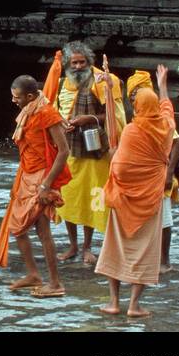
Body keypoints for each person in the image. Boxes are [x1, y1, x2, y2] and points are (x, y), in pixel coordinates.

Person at [95, 64, 175, 318]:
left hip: (124, 201)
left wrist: (113, 178)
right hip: (151, 200)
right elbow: (166, 108)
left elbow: (119, 166)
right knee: (145, 252)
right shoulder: (166, 128)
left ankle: (114, 302)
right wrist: (162, 85)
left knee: (115, 248)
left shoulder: (131, 130)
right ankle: (134, 306)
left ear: (137, 107)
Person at [0, 74, 70, 298]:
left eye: (17, 97)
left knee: (43, 230)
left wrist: (46, 184)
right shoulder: (28, 111)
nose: (13, 101)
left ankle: (55, 284)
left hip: (42, 176)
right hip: (27, 175)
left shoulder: (46, 113)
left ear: (31, 96)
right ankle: (34, 274)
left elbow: (64, 151)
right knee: (17, 227)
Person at [54, 41, 126, 266]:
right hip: (69, 151)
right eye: (73, 62)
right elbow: (55, 111)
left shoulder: (101, 81)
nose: (77, 66)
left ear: (89, 62)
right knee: (68, 200)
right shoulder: (61, 84)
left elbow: (114, 116)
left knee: (92, 200)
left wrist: (90, 119)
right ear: (67, 63)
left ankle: (87, 246)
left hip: (95, 152)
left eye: (81, 62)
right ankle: (73, 245)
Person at [126, 68, 179, 272]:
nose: (137, 98)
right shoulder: (135, 121)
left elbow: (177, 144)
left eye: (140, 93)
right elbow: (167, 103)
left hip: (159, 175)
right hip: (141, 178)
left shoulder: (159, 118)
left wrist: (168, 174)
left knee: (164, 217)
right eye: (133, 94)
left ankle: (164, 260)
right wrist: (163, 86)